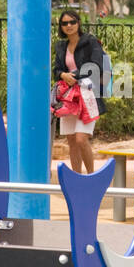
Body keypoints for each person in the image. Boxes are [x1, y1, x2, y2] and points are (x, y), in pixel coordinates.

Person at [52, 10, 106, 173]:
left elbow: (97, 65)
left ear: (79, 23)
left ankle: (91, 176)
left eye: (72, 22)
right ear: (61, 27)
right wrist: (62, 74)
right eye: (65, 23)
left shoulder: (90, 42)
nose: (69, 26)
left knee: (81, 138)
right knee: (71, 141)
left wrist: (73, 75)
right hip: (69, 98)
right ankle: (76, 177)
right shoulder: (61, 46)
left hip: (88, 95)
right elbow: (56, 70)